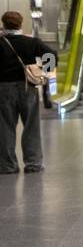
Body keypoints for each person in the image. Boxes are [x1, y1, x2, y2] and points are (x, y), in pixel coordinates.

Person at [0, 11, 54, 174]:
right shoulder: (31, 42)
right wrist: (45, 73)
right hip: (27, 88)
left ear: (3, 24)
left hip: (3, 89)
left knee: (5, 127)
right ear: (20, 24)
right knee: (31, 126)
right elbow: (51, 54)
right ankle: (33, 164)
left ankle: (8, 166)